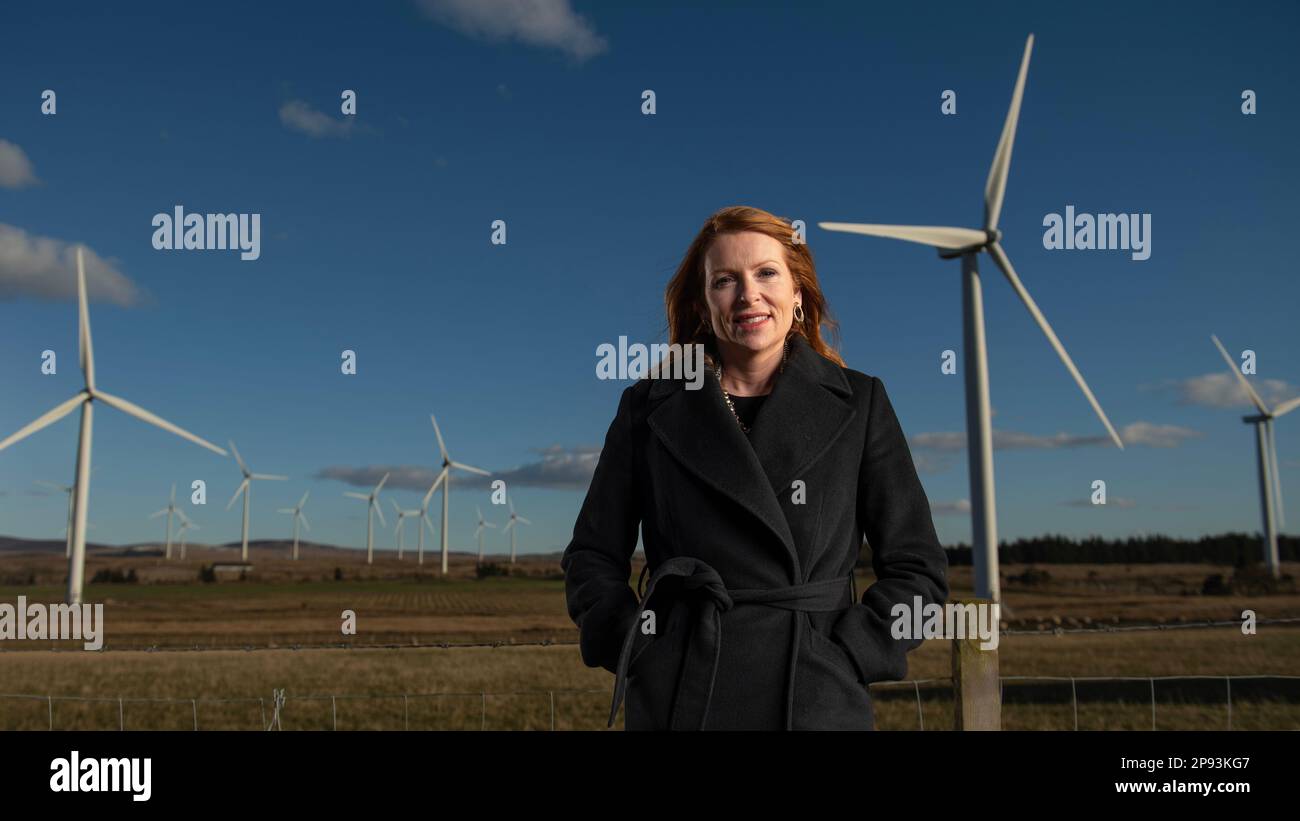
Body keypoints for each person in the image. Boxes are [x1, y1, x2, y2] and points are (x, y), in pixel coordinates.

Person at [561, 205, 949, 730]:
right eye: (725, 281)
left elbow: (919, 570)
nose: (748, 296)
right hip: (683, 694)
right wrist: (642, 647)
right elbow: (592, 555)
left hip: (815, 699)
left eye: (766, 273)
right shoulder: (647, 408)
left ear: (798, 292)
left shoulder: (861, 404)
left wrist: (852, 654)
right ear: (702, 303)